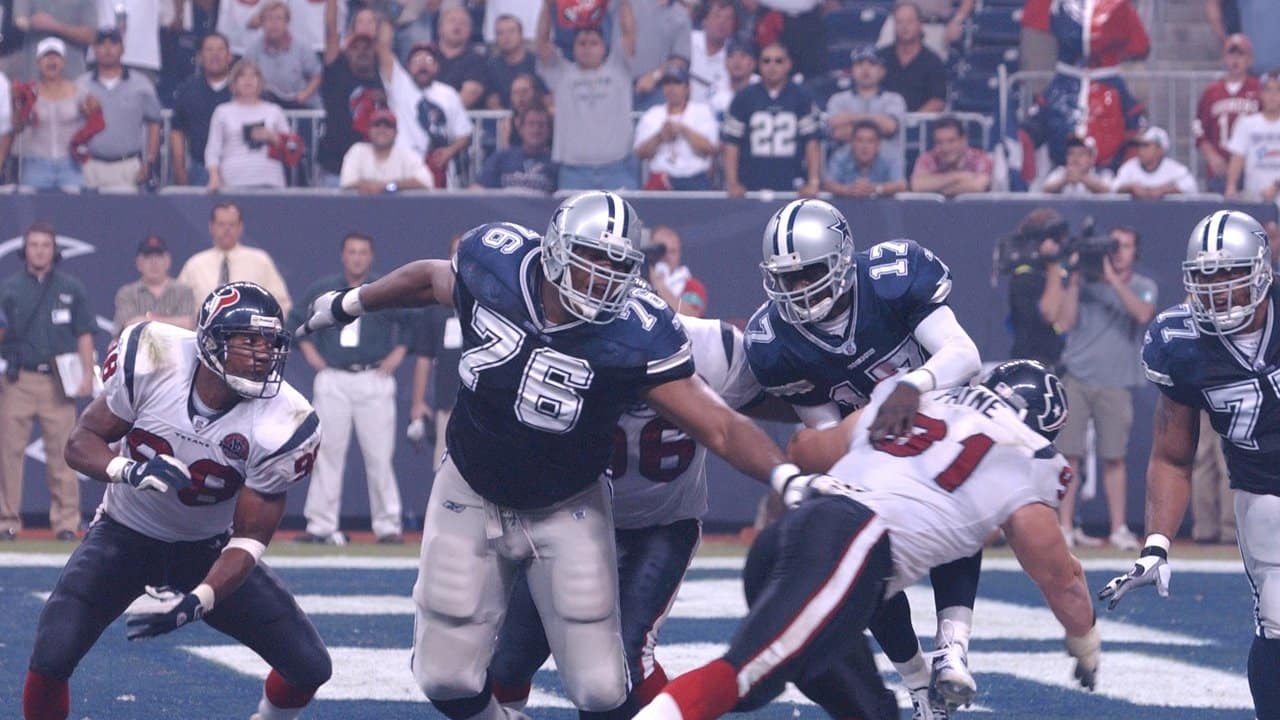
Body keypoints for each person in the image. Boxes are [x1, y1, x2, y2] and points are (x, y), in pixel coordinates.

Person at [294, 190, 832, 720]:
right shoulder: (497, 261)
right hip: (471, 484)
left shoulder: (642, 331)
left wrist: (785, 475)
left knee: (602, 686)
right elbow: (433, 276)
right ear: (553, 251)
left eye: (615, 266)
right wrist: (352, 302)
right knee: (446, 675)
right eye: (589, 261)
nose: (601, 280)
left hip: (571, 501)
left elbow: (719, 423)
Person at [634, 360, 1099, 720]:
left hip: (798, 534)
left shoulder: (914, 401)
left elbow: (803, 450)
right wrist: (1085, 642)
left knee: (872, 712)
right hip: (850, 544)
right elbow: (1062, 580)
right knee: (749, 676)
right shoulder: (1024, 455)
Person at [22, 282, 331, 720]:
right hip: (124, 534)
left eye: (270, 343)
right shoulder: (154, 356)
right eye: (249, 341)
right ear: (210, 341)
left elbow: (250, 538)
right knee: (51, 655)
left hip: (206, 548)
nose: (263, 355)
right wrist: (129, 470)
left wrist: (201, 598)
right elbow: (80, 442)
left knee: (309, 666)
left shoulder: (286, 421)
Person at [743, 198, 984, 716]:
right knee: (851, 538)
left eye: (806, 272)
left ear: (841, 259)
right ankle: (917, 681)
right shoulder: (774, 340)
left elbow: (964, 355)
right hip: (865, 443)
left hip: (936, 418)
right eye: (783, 278)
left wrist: (911, 387)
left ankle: (952, 648)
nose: (796, 289)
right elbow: (824, 429)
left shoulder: (893, 276)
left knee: (958, 506)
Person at [488, 315, 765, 709]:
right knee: (511, 658)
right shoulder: (562, 343)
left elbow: (776, 404)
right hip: (575, 519)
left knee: (626, 660)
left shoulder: (712, 347)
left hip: (663, 524)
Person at [1099, 209, 1280, 720]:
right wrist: (1156, 543)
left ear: (1263, 272)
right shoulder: (1179, 342)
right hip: (1266, 490)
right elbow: (1173, 455)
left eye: (1230, 275)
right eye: (1205, 278)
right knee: (1277, 618)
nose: (1218, 292)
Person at [290, 233, 413, 546]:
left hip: (373, 378)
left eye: (363, 252)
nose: (357, 258)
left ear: (370, 256)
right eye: (352, 252)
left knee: (380, 455)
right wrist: (311, 353)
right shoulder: (323, 288)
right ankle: (320, 525)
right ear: (343, 256)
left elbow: (413, 322)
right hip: (334, 377)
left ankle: (388, 526)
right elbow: (294, 321)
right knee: (327, 452)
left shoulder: (384, 288)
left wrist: (398, 354)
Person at [1052, 226, 1156, 549]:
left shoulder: (1144, 286)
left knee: (1115, 457)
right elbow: (1063, 322)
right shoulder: (1083, 285)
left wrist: (1111, 279)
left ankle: (1118, 528)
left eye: (1124, 246)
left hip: (1115, 382)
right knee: (1069, 456)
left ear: (1135, 252)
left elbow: (1142, 313)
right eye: (1113, 245)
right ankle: (1065, 526)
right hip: (1077, 377)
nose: (1118, 251)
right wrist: (1075, 276)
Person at [0, 221, 95, 543]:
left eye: (45, 245)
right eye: (34, 244)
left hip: (58, 381)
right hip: (18, 381)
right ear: (24, 249)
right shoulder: (9, 288)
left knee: (63, 455)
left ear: (55, 250)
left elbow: (84, 333)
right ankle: (7, 522)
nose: (39, 250)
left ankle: (66, 523)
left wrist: (86, 374)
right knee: (8, 454)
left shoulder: (72, 287)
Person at [537, 12, 638, 190]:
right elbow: (542, 44)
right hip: (574, 172)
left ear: (603, 47)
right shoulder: (561, 74)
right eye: (582, 43)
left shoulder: (619, 70)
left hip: (617, 169)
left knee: (625, 218)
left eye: (593, 43)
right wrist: (547, 5)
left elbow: (629, 34)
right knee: (572, 219)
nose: (587, 48)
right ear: (573, 48)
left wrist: (623, 4)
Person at [720, 42, 820, 197]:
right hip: (750, 186)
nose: (772, 66)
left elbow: (812, 142)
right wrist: (732, 182)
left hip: (792, 184)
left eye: (778, 61)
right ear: (758, 65)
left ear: (788, 64)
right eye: (766, 61)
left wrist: (813, 182)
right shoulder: (743, 98)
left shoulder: (801, 97)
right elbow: (731, 144)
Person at [378, 33, 472, 189]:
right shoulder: (400, 86)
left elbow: (465, 134)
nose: (423, 65)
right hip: (404, 171)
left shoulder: (448, 94)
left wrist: (450, 151)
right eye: (417, 60)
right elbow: (382, 51)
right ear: (408, 67)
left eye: (429, 60)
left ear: (436, 66)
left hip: (440, 172)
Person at [75, 27, 161, 191]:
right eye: (101, 44)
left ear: (122, 48)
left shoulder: (141, 84)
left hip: (127, 167)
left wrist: (150, 160)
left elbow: (154, 122)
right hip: (90, 165)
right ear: (94, 49)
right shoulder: (81, 85)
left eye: (113, 43)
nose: (108, 49)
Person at [407, 235, 464, 473]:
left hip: (485, 402)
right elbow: (424, 357)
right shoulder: (435, 307)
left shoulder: (491, 301)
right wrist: (418, 402)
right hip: (447, 401)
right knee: (444, 469)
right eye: (456, 252)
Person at [177, 203, 293, 316]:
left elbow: (281, 304)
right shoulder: (195, 264)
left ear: (240, 227)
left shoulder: (260, 261)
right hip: (202, 332)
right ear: (211, 227)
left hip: (249, 331)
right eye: (221, 224)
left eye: (232, 224)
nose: (227, 229)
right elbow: (178, 308)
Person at [316, 0, 384, 186]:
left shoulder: (383, 75)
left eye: (367, 48)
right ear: (347, 51)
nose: (362, 52)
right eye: (356, 48)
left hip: (374, 168)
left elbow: (385, 39)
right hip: (335, 165)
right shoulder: (337, 72)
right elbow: (331, 31)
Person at [13, 37, 90, 191]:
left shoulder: (80, 92)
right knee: (33, 213)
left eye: (56, 56)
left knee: (74, 212)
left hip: (70, 164)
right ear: (38, 62)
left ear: (63, 62)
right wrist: (22, 104)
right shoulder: (28, 91)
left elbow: (93, 125)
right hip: (36, 164)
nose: (51, 61)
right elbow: (17, 127)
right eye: (46, 57)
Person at [205, 58, 293, 191]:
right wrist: (214, 177)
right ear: (234, 82)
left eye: (253, 75)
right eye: (242, 75)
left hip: (270, 180)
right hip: (232, 182)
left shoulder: (274, 111)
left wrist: (272, 137)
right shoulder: (222, 111)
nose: (248, 80)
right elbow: (212, 150)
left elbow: (292, 148)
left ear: (260, 82)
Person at [825, 44, 907, 181]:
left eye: (872, 64)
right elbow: (837, 132)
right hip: (844, 172)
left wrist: (851, 118)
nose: (865, 69)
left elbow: (890, 127)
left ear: (882, 71)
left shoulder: (894, 99)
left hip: (887, 171)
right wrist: (877, 123)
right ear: (851, 70)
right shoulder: (837, 100)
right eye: (860, 64)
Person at [632, 63, 718, 191]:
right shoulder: (652, 114)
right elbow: (641, 153)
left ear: (687, 88)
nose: (671, 88)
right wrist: (660, 136)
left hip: (695, 180)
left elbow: (710, 149)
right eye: (667, 83)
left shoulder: (702, 111)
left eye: (677, 82)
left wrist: (683, 130)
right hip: (661, 180)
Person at [1004, 208, 1069, 368]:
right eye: (1052, 239)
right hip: (1029, 365)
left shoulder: (1059, 275)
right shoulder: (1023, 278)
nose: (1058, 245)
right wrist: (1053, 264)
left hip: (1059, 363)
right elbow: (1049, 314)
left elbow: (1065, 324)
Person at [1195, 34, 1259, 193]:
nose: (1235, 60)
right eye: (1231, 55)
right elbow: (1198, 127)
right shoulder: (1212, 91)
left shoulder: (1258, 90)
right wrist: (1211, 155)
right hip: (1219, 167)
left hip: (1250, 167)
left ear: (1249, 59)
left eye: (1241, 55)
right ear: (1224, 58)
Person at [170, 32, 232, 187]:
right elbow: (177, 131)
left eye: (220, 50)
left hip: (237, 168)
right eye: (209, 50)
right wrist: (179, 169)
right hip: (200, 168)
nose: (215, 55)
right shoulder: (187, 89)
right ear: (199, 57)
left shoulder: (241, 88)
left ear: (229, 56)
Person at [243, 0, 323, 109]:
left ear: (287, 22)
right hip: (265, 106)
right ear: (262, 23)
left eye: (279, 18)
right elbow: (244, 76)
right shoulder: (253, 50)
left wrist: (304, 94)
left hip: (300, 106)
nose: (274, 23)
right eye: (269, 18)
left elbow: (317, 75)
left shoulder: (302, 47)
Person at [112, 235, 196, 336]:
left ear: (168, 261)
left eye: (159, 256)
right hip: (138, 350)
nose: (154, 263)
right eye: (148, 257)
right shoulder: (127, 293)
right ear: (139, 263)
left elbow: (187, 325)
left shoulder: (184, 292)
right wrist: (172, 322)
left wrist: (147, 319)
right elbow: (128, 326)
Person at [340, 107, 434, 193]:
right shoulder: (357, 151)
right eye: (377, 125)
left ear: (396, 132)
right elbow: (347, 182)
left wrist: (387, 186)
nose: (382, 130)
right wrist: (379, 187)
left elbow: (426, 181)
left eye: (387, 126)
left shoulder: (407, 153)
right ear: (369, 130)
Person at [877, 2, 946, 112]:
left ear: (920, 24)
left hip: (919, 124)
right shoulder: (879, 58)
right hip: (882, 124)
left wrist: (910, 122)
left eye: (910, 21)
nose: (904, 26)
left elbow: (938, 101)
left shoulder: (933, 61)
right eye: (900, 22)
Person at [472, 104, 557, 193]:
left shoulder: (555, 163)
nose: (536, 129)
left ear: (549, 130)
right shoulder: (502, 158)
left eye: (541, 125)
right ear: (521, 129)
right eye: (531, 124)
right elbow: (477, 188)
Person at [1226, 70, 1280, 202]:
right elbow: (1238, 157)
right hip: (1255, 198)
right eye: (1268, 90)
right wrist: (1231, 186)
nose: (1272, 96)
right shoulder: (1247, 123)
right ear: (1261, 94)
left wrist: (1277, 186)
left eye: (1277, 90)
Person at [627, 0, 690, 110]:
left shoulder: (681, 16)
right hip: (619, 88)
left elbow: (680, 60)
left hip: (655, 94)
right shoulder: (629, 4)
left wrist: (655, 76)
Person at [822, 119, 907, 199]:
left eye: (870, 141)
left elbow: (901, 185)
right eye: (860, 140)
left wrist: (876, 189)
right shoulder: (840, 156)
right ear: (852, 142)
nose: (864, 146)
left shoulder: (890, 157)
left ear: (878, 145)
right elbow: (827, 183)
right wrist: (846, 190)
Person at [12, 0, 96, 79]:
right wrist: (29, 22)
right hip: (35, 73)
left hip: (72, 74)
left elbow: (90, 36)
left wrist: (54, 26)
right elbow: (20, 20)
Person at [910, 116, 992, 196]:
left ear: (963, 140)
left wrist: (939, 188)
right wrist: (958, 176)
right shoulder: (927, 158)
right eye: (939, 142)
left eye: (951, 141)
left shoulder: (980, 158)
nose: (946, 148)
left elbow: (977, 186)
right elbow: (917, 185)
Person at [1112, 125, 1198, 199]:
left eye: (1146, 145)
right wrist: (1130, 187)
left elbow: (1191, 186)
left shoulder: (1174, 169)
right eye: (1139, 145)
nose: (1140, 150)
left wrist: (1164, 190)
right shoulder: (1129, 167)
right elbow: (1113, 187)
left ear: (1160, 149)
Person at [875, 0, 973, 62]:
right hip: (899, 20)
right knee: (879, 61)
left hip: (933, 24)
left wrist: (956, 21)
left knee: (932, 68)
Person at [645, 225, 707, 318]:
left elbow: (692, 315)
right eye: (661, 251)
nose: (667, 257)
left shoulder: (692, 286)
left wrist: (659, 285)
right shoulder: (639, 280)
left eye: (673, 251)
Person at [484, 14, 542, 110]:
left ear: (521, 34)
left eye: (511, 31)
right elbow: (493, 103)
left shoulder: (537, 63)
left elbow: (548, 99)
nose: (506, 37)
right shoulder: (491, 66)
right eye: (500, 33)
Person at [434, 6, 487, 108]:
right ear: (439, 28)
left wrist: (436, 115)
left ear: (470, 31)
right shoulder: (426, 55)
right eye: (452, 20)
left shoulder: (477, 60)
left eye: (463, 23)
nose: (458, 25)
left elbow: (468, 96)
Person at [688, 0, 734, 113]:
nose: (722, 22)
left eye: (728, 18)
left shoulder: (734, 58)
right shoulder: (688, 41)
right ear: (704, 21)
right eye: (717, 16)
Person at [1040, 135, 1113, 195]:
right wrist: (1064, 180)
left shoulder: (1102, 173)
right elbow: (1044, 190)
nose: (1075, 158)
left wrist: (1082, 178)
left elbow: (1111, 192)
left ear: (1092, 158)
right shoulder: (1060, 172)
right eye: (1071, 153)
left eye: (1081, 154)